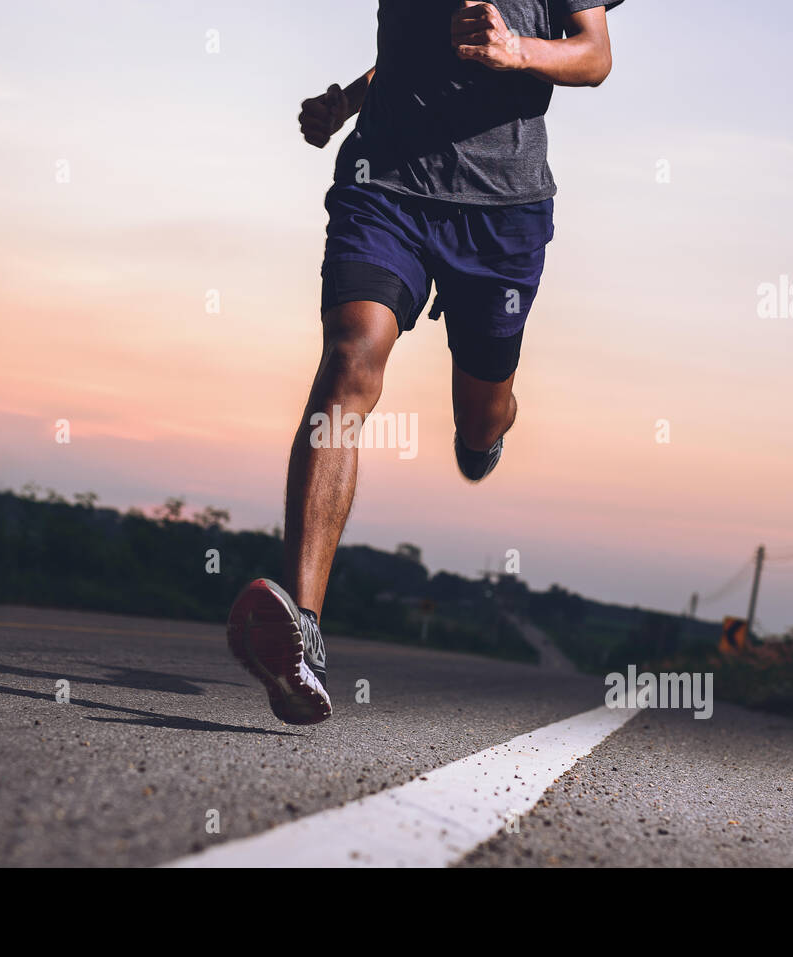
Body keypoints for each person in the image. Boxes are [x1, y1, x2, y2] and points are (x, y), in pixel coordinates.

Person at [227, 1, 621, 724]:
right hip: (385, 191)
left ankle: (486, 430)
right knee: (350, 360)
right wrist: (349, 100)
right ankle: (302, 635)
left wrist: (516, 51)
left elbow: (593, 53)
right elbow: (416, 56)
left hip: (502, 216)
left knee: (479, 419)